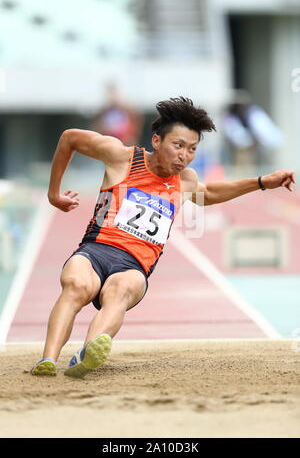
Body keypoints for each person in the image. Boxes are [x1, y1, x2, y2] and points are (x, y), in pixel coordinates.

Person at [31, 96, 295, 378]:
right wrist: (53, 193)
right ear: (157, 141)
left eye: (192, 149)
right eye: (178, 145)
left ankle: (87, 354)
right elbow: (69, 138)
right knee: (76, 286)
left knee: (119, 292)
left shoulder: (185, 182)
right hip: (95, 250)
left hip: (133, 266)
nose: (184, 155)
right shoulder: (121, 157)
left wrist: (261, 183)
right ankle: (47, 360)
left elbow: (211, 193)